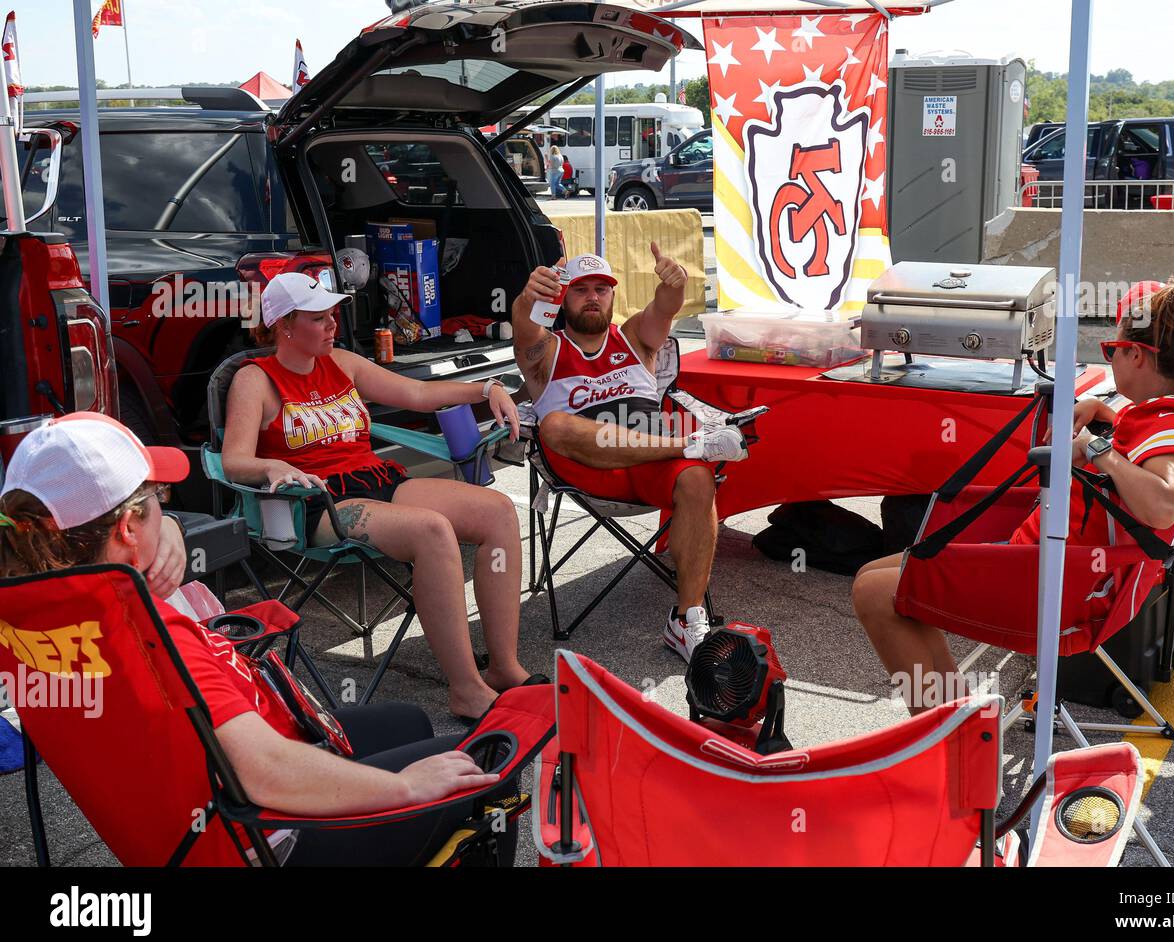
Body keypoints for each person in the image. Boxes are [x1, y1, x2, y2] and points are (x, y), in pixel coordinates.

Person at [0, 412, 517, 866]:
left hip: (179, 829)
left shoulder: (33, 616)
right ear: (129, 529)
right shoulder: (157, 638)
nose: (170, 509)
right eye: (161, 498)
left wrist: (170, 531)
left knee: (409, 720)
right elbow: (262, 772)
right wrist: (407, 787)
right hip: (268, 837)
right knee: (492, 760)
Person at [853, 277, 1174, 714]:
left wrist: (1097, 448)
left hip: (1062, 588)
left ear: (1136, 355)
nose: (1112, 359)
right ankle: (953, 723)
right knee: (873, 576)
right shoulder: (1154, 413)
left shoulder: (1173, 424)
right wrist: (1106, 415)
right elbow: (1144, 448)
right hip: (1045, 564)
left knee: (877, 594)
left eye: (1111, 351)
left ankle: (949, 738)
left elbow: (1163, 505)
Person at [223, 271, 528, 721]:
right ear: (284, 325)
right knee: (431, 530)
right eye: (319, 318)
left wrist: (487, 388)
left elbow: (419, 393)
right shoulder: (255, 380)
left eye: (333, 315)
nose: (333, 325)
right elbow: (231, 461)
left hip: (377, 480)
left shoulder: (342, 363)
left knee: (498, 512)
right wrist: (270, 466)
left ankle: (503, 667)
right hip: (319, 503)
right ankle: (466, 689)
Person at [511, 249, 749, 662]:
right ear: (563, 299)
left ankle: (687, 619)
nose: (592, 297)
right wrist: (526, 299)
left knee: (696, 478)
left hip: (651, 461)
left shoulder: (634, 336)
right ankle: (693, 443)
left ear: (613, 297)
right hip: (588, 468)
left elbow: (665, 307)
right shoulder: (546, 351)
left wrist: (674, 284)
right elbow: (523, 326)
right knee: (555, 425)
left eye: (601, 289)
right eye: (580, 289)